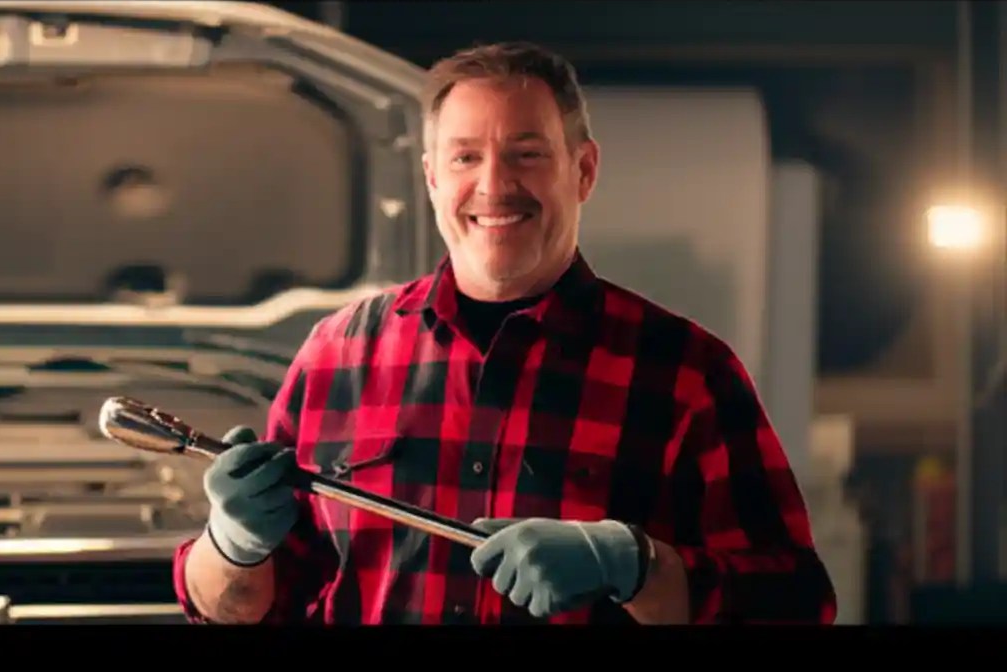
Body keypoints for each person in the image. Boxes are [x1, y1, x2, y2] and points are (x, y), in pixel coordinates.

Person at [171, 41, 838, 625]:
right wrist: (231, 545)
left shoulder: (687, 373)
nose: (494, 185)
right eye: (465, 158)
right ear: (432, 178)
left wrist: (639, 567)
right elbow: (238, 609)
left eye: (526, 154)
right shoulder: (336, 356)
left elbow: (799, 603)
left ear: (583, 171)